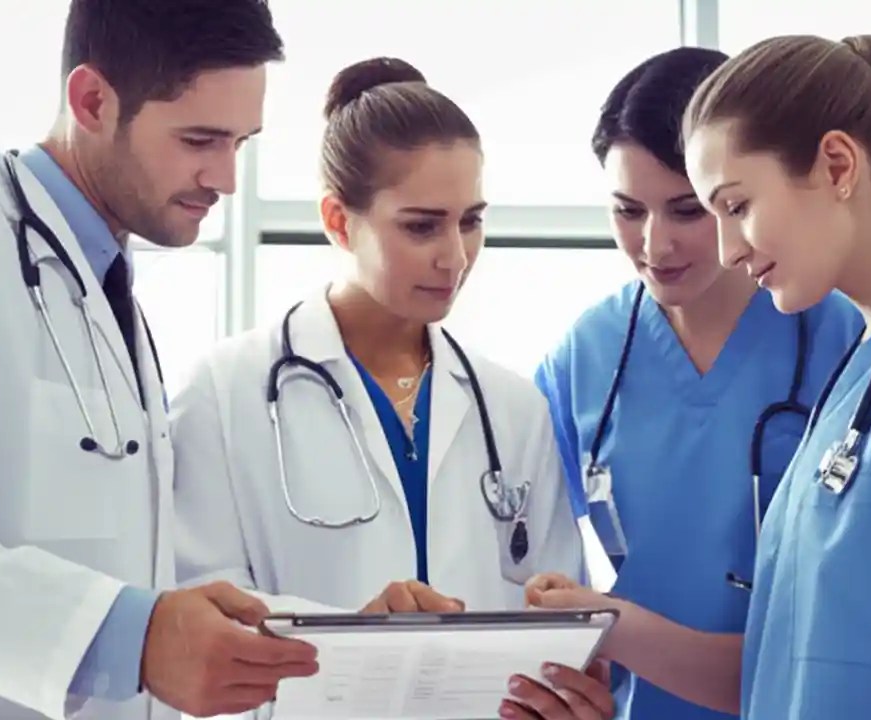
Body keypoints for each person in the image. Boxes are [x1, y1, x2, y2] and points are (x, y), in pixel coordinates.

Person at [530, 33, 871, 720]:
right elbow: (781, 668)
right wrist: (603, 623)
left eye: (733, 207)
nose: (728, 249)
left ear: (837, 164)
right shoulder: (866, 368)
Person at [0, 2, 321, 719]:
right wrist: (128, 639)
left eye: (241, 142)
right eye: (199, 138)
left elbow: (124, 573)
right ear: (91, 101)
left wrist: (345, 633)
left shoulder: (99, 287)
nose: (226, 178)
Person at [168, 57, 613, 720]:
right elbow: (195, 630)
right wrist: (356, 642)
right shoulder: (225, 394)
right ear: (338, 221)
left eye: (471, 221)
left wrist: (570, 695)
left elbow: (555, 619)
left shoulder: (512, 408)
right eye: (421, 225)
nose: (456, 257)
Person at [532, 48, 862, 719]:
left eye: (686, 211)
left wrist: (611, 622)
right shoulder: (584, 357)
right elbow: (533, 566)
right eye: (628, 210)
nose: (655, 246)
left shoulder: (842, 338)